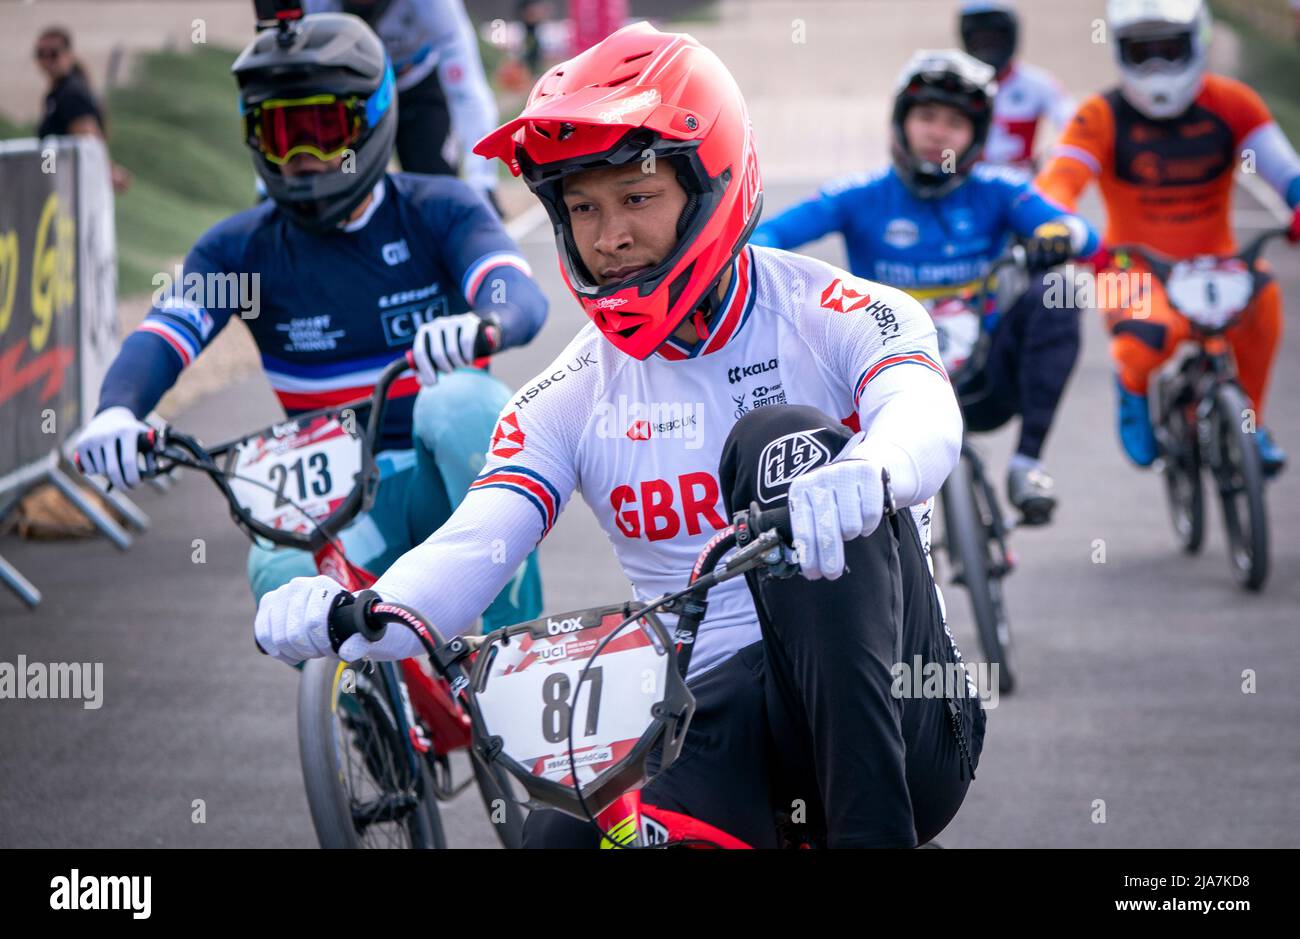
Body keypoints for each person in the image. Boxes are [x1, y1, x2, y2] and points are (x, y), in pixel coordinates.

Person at [254, 22, 986, 849]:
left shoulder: (835, 311)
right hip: (711, 723)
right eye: (583, 208)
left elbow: (924, 413)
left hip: (902, 716)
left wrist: (874, 468)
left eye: (637, 198)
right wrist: (356, 609)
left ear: (710, 188)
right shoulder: (565, 393)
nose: (609, 238)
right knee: (554, 840)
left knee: (784, 445)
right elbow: (475, 544)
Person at [74, 12, 546, 629]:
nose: (300, 158)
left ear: (372, 120)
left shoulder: (439, 208)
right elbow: (165, 334)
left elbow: (520, 295)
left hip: (445, 496)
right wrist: (117, 410)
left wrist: (487, 322)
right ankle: (357, 713)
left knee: (462, 402)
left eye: (321, 130)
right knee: (276, 574)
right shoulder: (237, 250)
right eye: (278, 135)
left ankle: (513, 648)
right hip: (335, 502)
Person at [752, 49, 1100, 525]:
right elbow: (765, 237)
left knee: (1060, 290)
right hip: (879, 383)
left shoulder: (999, 188)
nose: (938, 133)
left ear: (975, 137)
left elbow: (1080, 232)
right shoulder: (858, 194)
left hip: (982, 379)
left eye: (955, 123)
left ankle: (1027, 466)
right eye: (927, 116)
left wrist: (1059, 236)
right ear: (901, 122)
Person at [1036, 0, 1300, 474]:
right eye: (1142, 51)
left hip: (1221, 262)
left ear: (1197, 41)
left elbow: (1285, 171)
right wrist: (1058, 225)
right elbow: (1060, 179)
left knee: (1264, 300)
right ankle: (1131, 387)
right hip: (1126, 268)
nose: (1156, 64)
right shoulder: (1099, 115)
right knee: (1144, 337)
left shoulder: (1234, 103)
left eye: (1169, 48)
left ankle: (1250, 423)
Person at [302, 0, 501, 211]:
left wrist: (482, 181)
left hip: (417, 85)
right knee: (348, 185)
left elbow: (467, 93)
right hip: (357, 95)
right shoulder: (315, 4)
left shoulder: (436, 6)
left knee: (436, 193)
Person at [958, 0, 1074, 171]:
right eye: (980, 39)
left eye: (994, 39)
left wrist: (1054, 158)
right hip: (967, 189)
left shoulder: (1039, 84)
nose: (988, 47)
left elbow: (1074, 125)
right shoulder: (952, 85)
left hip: (1021, 189)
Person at [33, 26, 131, 192]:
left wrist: (107, 171)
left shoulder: (71, 93)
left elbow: (89, 140)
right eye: (41, 54)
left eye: (53, 53)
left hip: (76, 187)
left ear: (68, 54)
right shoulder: (58, 92)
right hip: (67, 183)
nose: (46, 59)